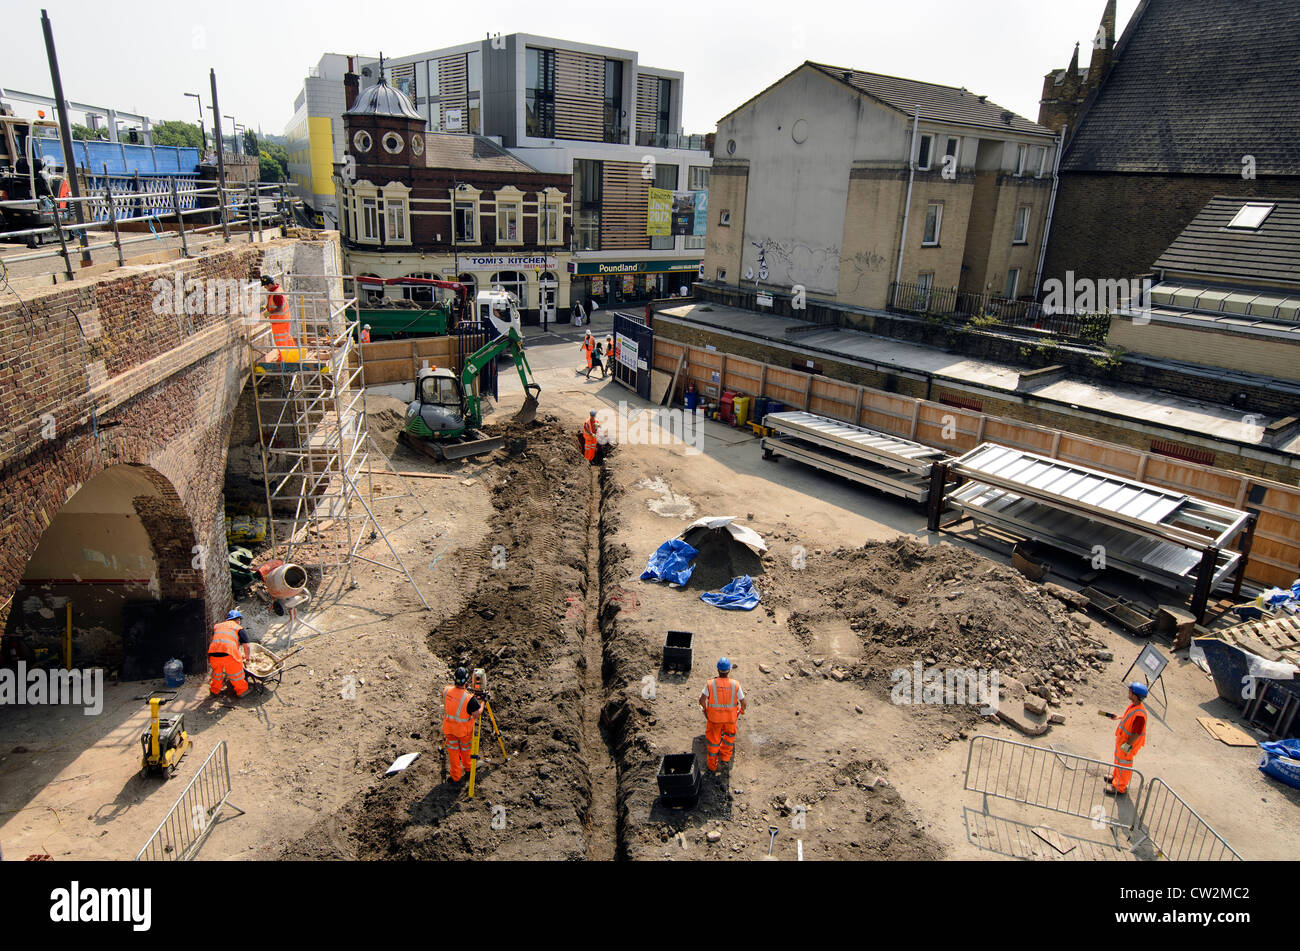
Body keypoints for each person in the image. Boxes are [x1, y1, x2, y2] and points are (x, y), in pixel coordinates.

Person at [699, 657, 746, 772]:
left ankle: (712, 765)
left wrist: (705, 710)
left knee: (713, 742)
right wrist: (740, 711)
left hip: (714, 719)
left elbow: (701, 701)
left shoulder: (710, 684)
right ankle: (725, 758)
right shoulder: (735, 684)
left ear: (718, 670)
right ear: (729, 670)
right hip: (730, 719)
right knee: (729, 739)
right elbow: (743, 703)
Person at [1105, 682, 1148, 795]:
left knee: (1124, 764)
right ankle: (1115, 778)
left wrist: (1127, 745)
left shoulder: (1140, 714)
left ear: (1135, 695)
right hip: (1123, 740)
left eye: (1130, 691)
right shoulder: (1134, 705)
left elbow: (1137, 733)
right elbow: (1129, 718)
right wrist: (1118, 717)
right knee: (1118, 760)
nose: (1128, 692)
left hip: (1128, 743)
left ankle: (1119, 787)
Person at [442, 666, 483, 783]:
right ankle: (469, 769)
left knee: (453, 753)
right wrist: (483, 702)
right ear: (466, 681)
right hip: (463, 732)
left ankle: (455, 776)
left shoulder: (446, 691)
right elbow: (477, 714)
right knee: (466, 750)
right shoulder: (470, 699)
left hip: (449, 730)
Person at [208, 609, 251, 698]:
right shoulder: (238, 628)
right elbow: (247, 646)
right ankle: (242, 691)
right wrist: (247, 658)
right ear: (238, 620)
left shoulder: (217, 626)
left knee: (217, 674)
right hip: (229, 655)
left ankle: (214, 691)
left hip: (213, 654)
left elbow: (221, 639)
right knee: (236, 674)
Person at [260, 275, 299, 362]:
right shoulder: (277, 289)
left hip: (279, 321)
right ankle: (293, 354)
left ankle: (283, 359)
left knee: (280, 341)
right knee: (286, 338)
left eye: (266, 286)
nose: (265, 288)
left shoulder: (276, 294)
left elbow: (280, 308)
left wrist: (269, 313)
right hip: (283, 319)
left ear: (270, 284)